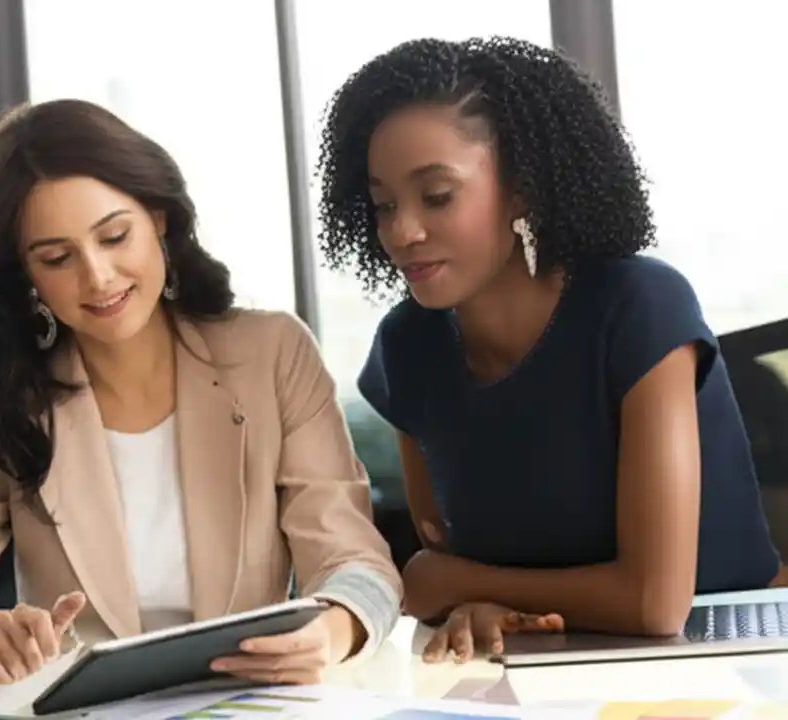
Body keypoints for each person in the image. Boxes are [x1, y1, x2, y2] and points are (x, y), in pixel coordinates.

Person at [0, 99, 401, 689]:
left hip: (251, 702)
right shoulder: (9, 396)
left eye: (114, 236)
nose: (97, 277)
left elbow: (358, 563)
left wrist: (332, 632)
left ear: (159, 219)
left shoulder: (273, 352)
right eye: (56, 257)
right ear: (24, 274)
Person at [316, 36, 788, 663]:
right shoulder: (409, 348)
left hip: (736, 654)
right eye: (383, 205)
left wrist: (461, 583)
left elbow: (654, 603)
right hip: (553, 660)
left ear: (521, 190)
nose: (402, 231)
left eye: (437, 196)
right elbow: (443, 583)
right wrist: (479, 600)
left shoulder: (639, 306)